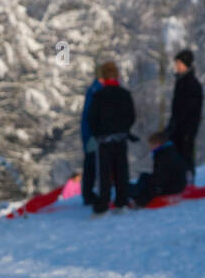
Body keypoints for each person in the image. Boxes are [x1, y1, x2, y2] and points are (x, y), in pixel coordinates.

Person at [88, 60, 136, 214]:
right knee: (121, 170)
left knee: (105, 173)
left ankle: (104, 202)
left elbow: (92, 118)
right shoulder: (124, 94)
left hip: (104, 140)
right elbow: (131, 116)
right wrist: (125, 129)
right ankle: (122, 200)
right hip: (121, 138)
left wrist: (97, 133)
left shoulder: (98, 96)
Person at [167, 49, 203, 181]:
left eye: (179, 63)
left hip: (187, 128)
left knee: (186, 154)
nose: (177, 66)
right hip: (177, 126)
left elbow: (191, 110)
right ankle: (179, 181)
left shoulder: (192, 84)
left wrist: (188, 127)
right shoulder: (180, 81)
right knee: (176, 154)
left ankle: (188, 180)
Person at [128, 131, 187, 207]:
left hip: (172, 188)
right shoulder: (169, 151)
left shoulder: (163, 157)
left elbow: (158, 182)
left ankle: (125, 196)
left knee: (142, 183)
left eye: (151, 145)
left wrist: (140, 201)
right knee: (144, 176)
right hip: (177, 184)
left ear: (157, 144)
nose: (150, 148)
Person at [80, 74, 103, 205]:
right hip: (92, 136)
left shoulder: (93, 90)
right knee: (92, 164)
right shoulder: (96, 91)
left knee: (91, 164)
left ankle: (88, 194)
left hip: (90, 135)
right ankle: (89, 195)